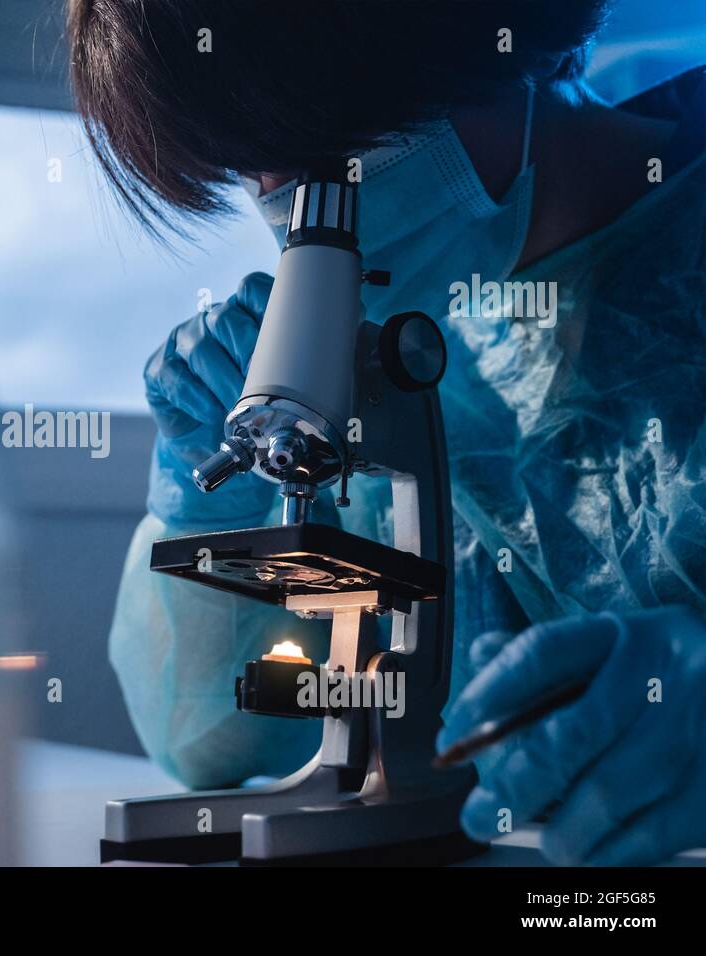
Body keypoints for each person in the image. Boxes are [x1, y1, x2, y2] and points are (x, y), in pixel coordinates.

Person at [67, 0, 706, 865]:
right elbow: (213, 746)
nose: (289, 207)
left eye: (315, 151)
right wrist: (203, 501)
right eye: (253, 173)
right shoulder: (401, 358)